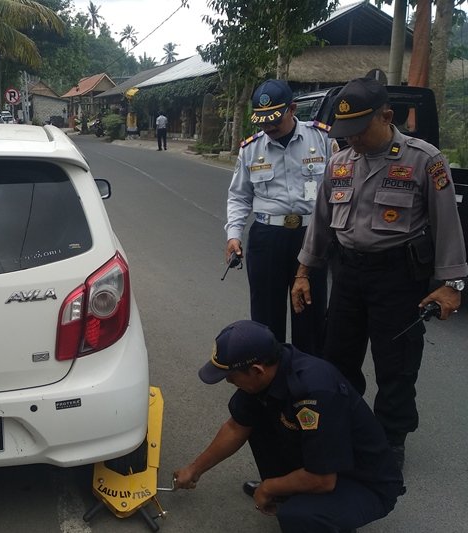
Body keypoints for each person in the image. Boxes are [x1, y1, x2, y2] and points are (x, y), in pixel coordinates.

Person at [291, 76, 467, 469]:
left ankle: (390, 441)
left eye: (359, 129)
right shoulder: (339, 162)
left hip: (397, 277)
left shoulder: (424, 160)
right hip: (348, 275)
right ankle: (344, 427)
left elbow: (447, 226)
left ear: (386, 116)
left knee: (396, 363)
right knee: (337, 357)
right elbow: (320, 224)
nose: (352, 139)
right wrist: (303, 272)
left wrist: (452, 285)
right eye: (346, 131)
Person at [174, 320, 404, 533]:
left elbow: (323, 479)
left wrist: (269, 487)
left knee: (298, 516)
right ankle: (293, 495)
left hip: (365, 482)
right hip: (328, 461)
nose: (229, 381)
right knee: (256, 422)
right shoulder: (267, 370)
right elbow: (236, 427)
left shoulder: (314, 391)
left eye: (231, 377)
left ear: (256, 370)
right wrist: (194, 469)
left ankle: (328, 518)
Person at [226, 79, 337, 356]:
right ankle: (270, 376)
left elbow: (338, 189)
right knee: (265, 318)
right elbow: (239, 196)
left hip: (310, 237)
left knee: (310, 315)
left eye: (274, 120)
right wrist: (233, 235)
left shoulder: (321, 138)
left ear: (292, 109)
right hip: (267, 238)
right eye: (262, 122)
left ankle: (307, 375)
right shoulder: (251, 149)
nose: (268, 128)